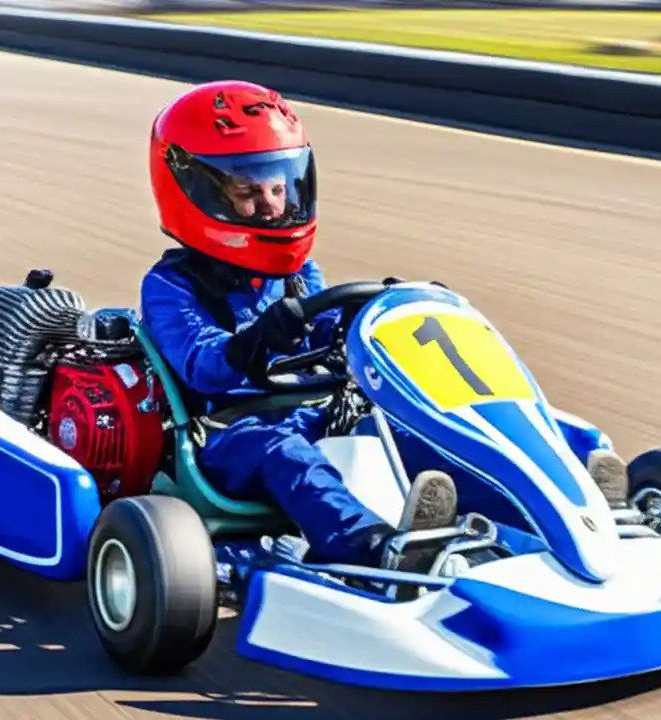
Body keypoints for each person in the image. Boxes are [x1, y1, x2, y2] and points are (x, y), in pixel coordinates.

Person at [138, 80, 462, 572]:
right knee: (285, 453)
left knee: (405, 426)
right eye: (248, 192)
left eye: (277, 188)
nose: (271, 207)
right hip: (228, 434)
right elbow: (202, 366)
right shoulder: (170, 286)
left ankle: (508, 520)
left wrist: (372, 317)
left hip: (312, 411)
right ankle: (375, 550)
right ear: (196, 193)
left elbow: (331, 331)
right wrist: (260, 336)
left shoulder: (297, 273)